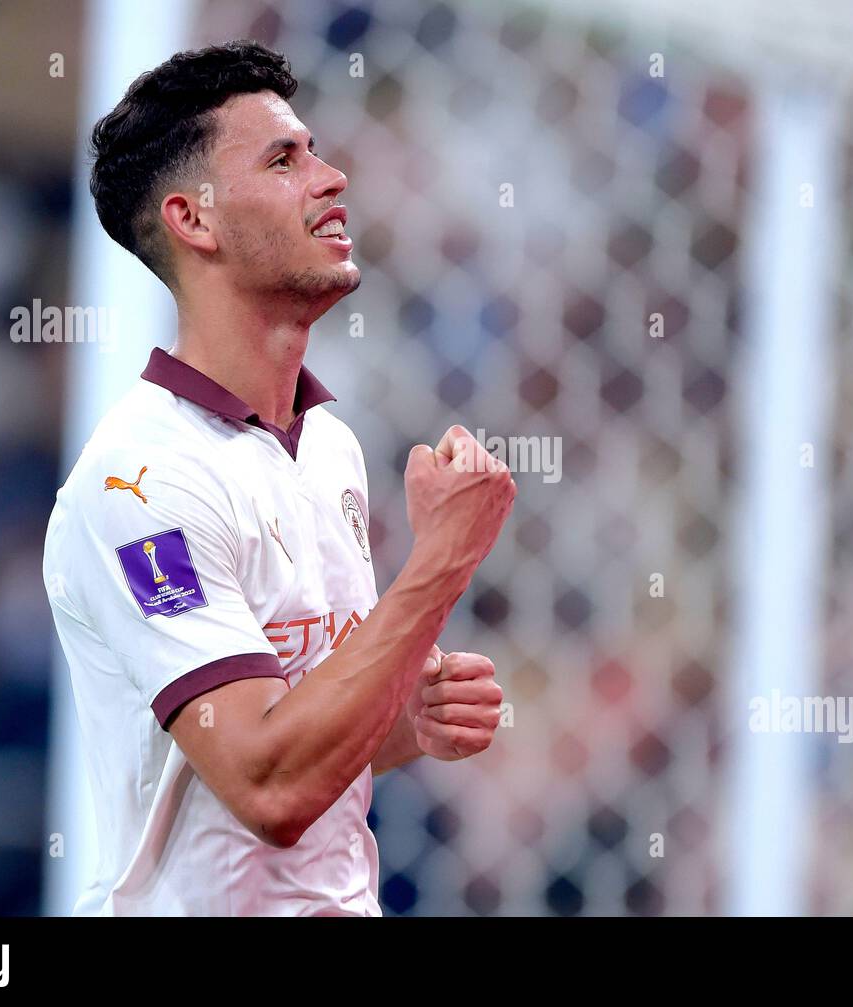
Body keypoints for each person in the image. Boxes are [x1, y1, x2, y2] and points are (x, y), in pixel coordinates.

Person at [42, 39, 515, 916]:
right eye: (284, 159)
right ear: (195, 220)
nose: (332, 178)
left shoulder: (326, 443)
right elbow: (268, 788)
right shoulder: (139, 488)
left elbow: (294, 733)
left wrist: (405, 718)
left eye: (317, 152)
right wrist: (442, 560)